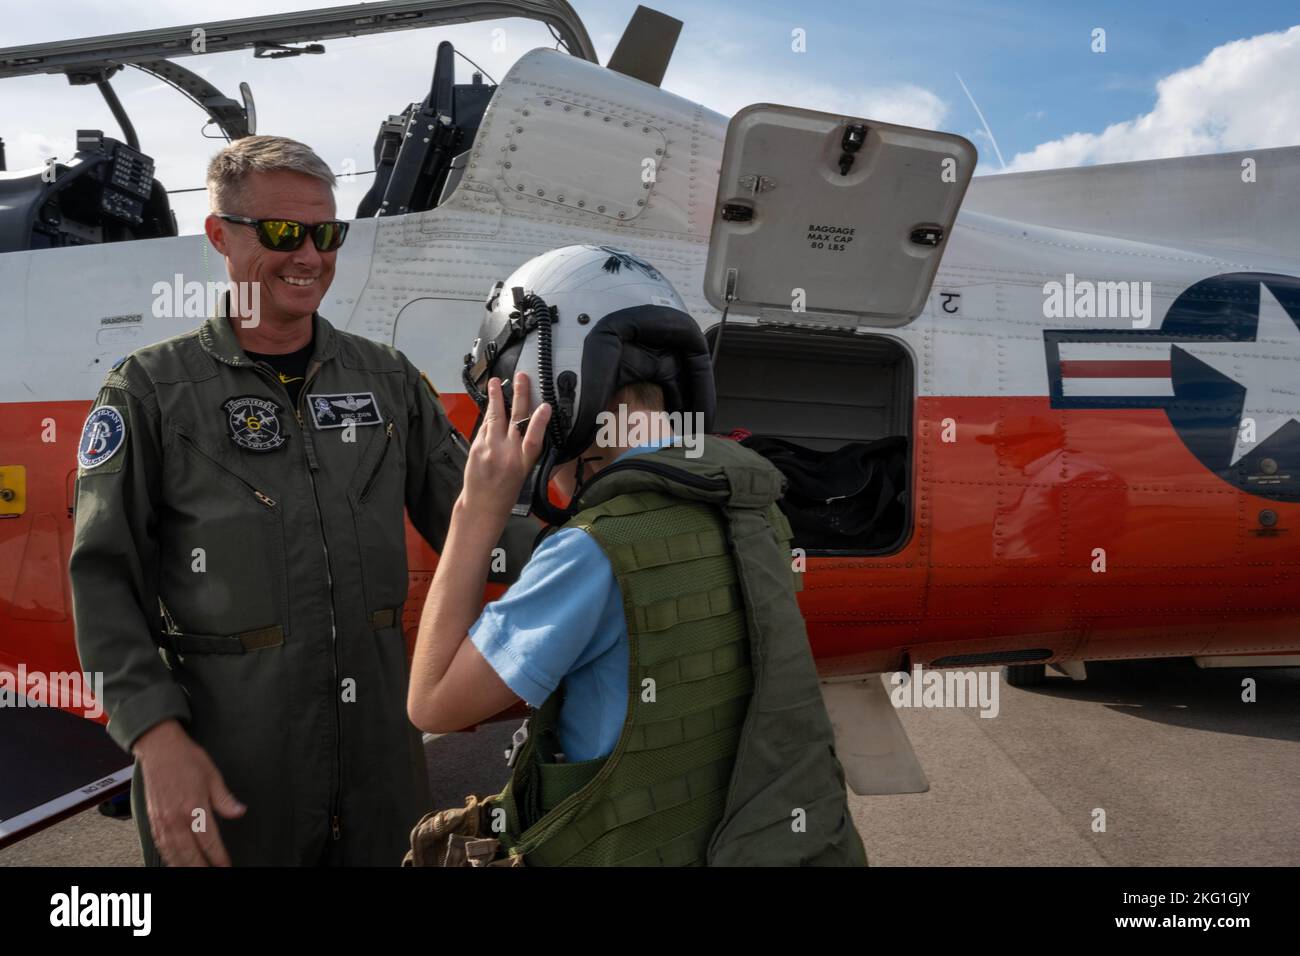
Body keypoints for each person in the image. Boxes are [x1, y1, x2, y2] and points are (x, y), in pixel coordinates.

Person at [69, 134, 533, 866]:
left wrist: (609, 544)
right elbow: (102, 584)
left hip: (383, 769)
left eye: (327, 233)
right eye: (285, 232)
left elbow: (478, 523)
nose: (310, 256)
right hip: (232, 769)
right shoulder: (151, 393)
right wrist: (154, 737)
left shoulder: (385, 381)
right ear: (220, 235)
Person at [405, 244, 866, 866]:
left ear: (551, 393)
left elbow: (431, 702)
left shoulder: (592, 549)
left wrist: (474, 514)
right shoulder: (751, 507)